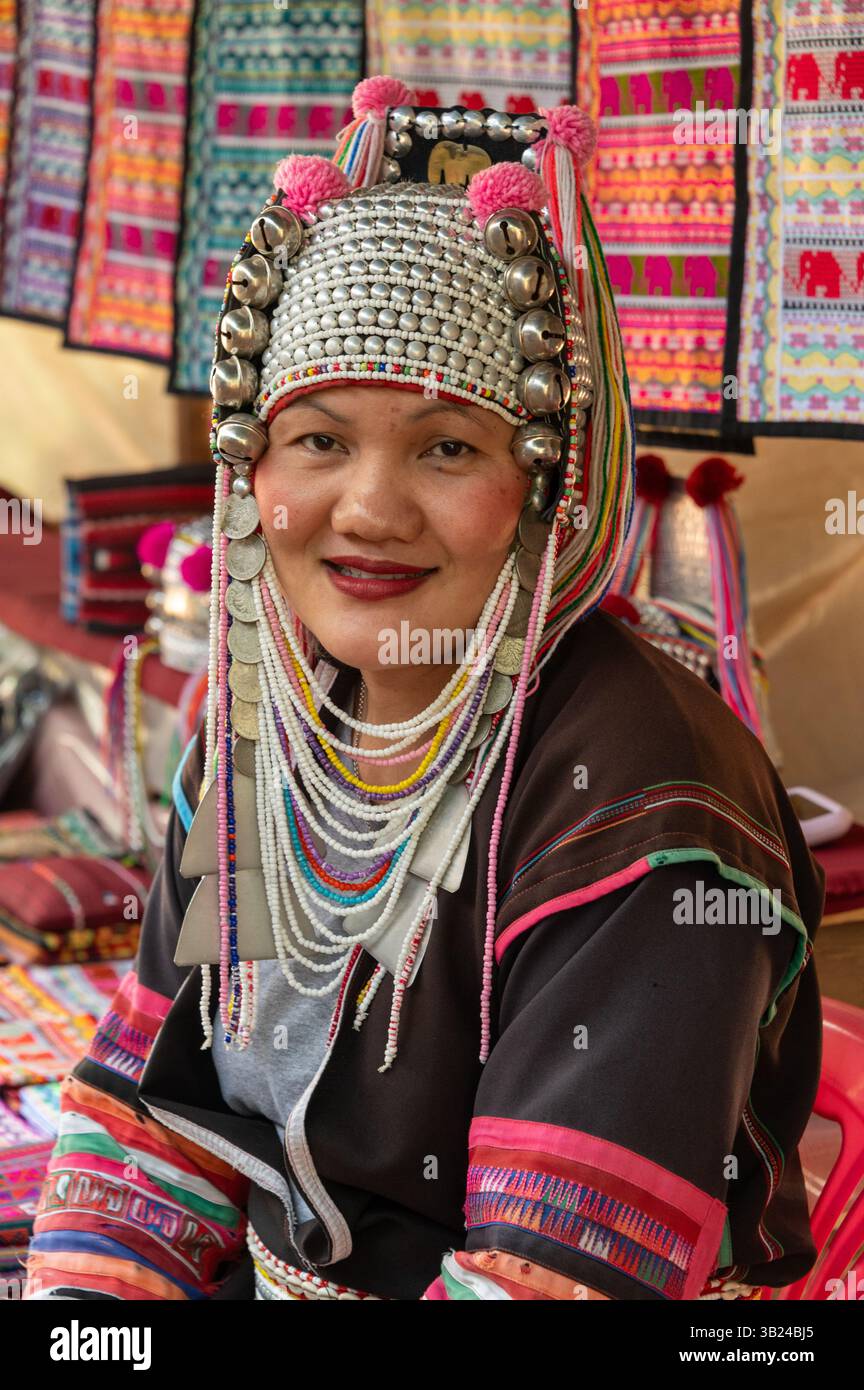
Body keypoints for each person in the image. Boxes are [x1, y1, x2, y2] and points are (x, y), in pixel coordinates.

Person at [25, 76, 824, 1303]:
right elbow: (153, 1113)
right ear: (257, 472)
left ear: (547, 487)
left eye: (448, 448)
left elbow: (547, 1277)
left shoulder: (646, 806)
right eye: (321, 440)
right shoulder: (261, 717)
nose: (369, 512)